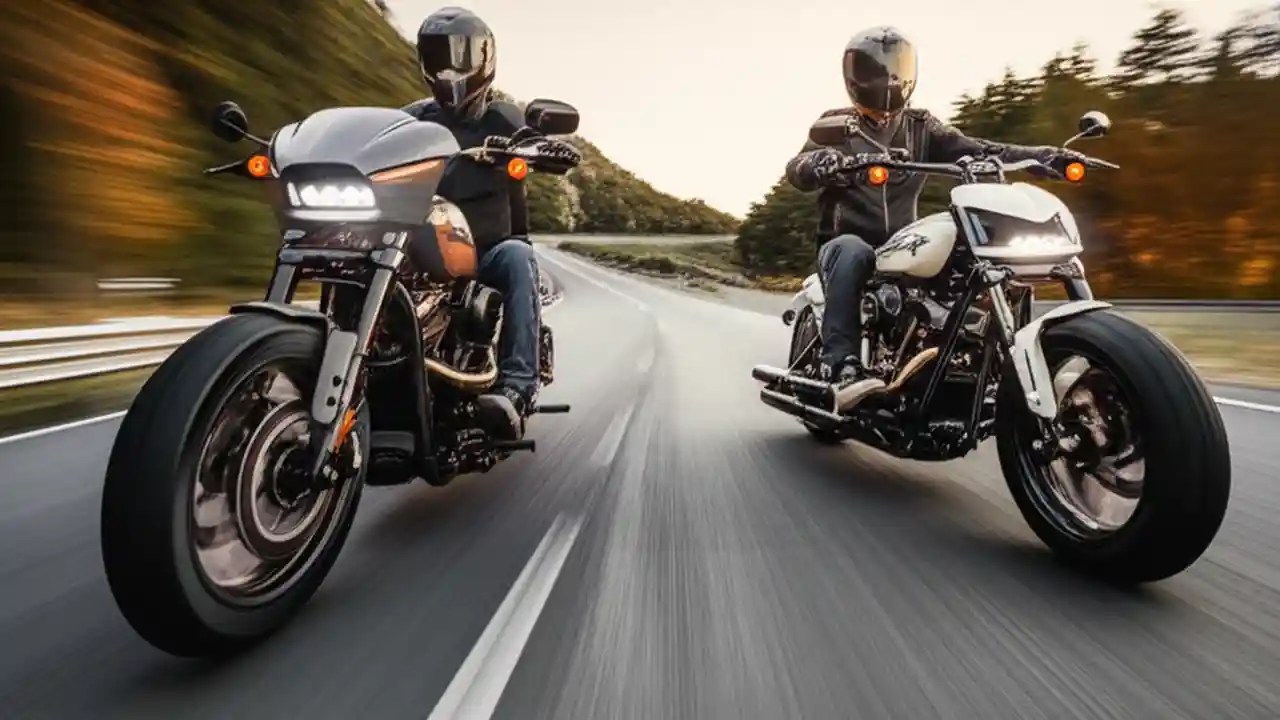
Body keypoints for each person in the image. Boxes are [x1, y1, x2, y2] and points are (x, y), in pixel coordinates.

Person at [785, 25, 1088, 411]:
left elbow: (979, 149)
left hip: (902, 241)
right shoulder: (835, 125)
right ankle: (841, 366)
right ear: (855, 76)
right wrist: (820, 162)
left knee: (965, 252)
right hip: (842, 245)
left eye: (894, 69)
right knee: (853, 250)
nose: (887, 79)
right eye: (876, 71)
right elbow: (797, 168)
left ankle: (986, 362)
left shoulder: (920, 126)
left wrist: (1045, 156)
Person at [403, 6, 539, 440]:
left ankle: (517, 389)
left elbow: (533, 140)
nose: (450, 70)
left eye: (460, 57)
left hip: (486, 251)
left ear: (483, 60)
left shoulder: (504, 119)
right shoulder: (412, 119)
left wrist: (538, 148)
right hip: (421, 245)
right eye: (439, 57)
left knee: (518, 258)